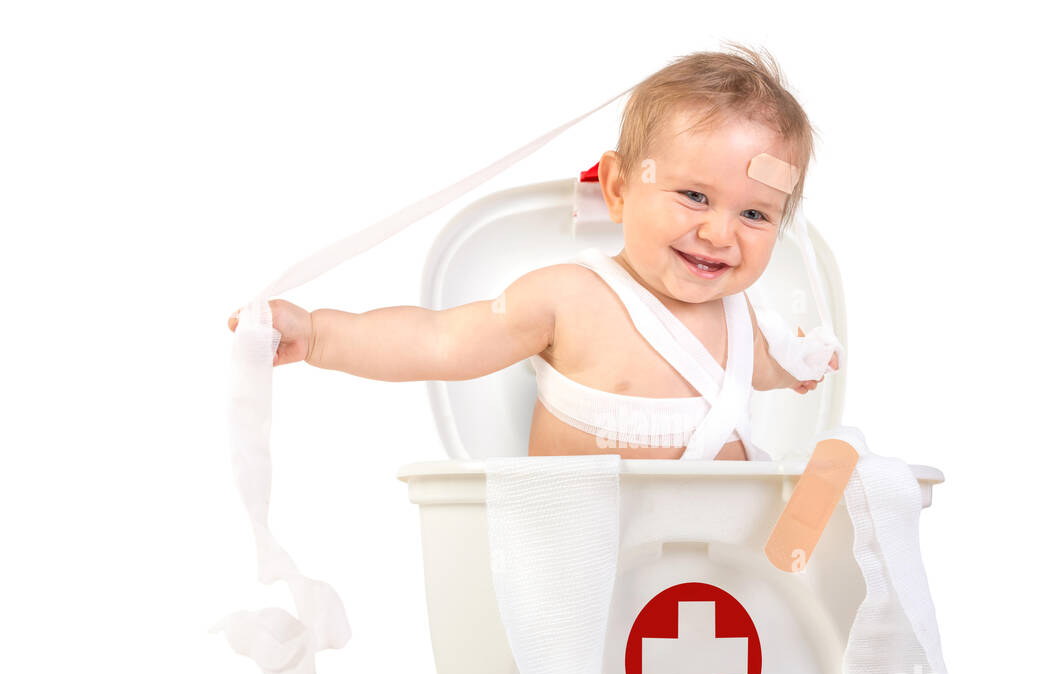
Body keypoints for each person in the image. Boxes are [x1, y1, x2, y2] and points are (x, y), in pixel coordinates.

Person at [227, 44, 840, 460]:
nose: (718, 234)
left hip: (708, 576)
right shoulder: (567, 298)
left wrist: (805, 364)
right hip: (576, 554)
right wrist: (319, 335)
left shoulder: (748, 323)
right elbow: (440, 342)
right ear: (620, 187)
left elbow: (779, 367)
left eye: (755, 213)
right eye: (694, 196)